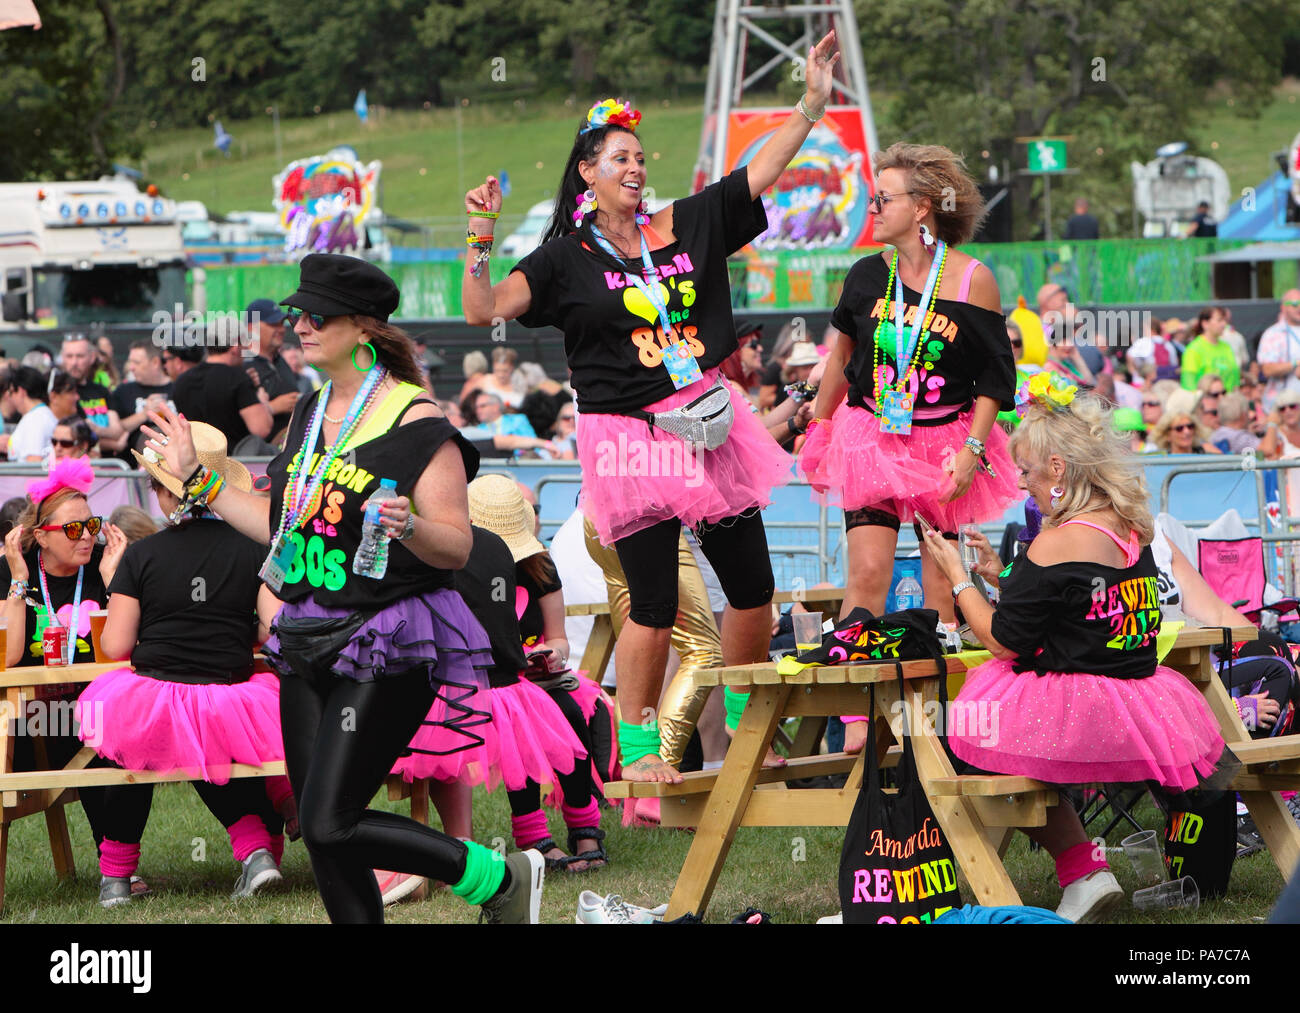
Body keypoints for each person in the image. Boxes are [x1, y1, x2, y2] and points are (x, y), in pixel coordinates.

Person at [462, 45, 840, 782]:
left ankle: (742, 720)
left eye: (640, 157)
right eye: (619, 157)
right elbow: (483, 309)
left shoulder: (686, 225)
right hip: (630, 440)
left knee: (754, 584)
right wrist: (480, 232)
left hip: (706, 424)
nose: (635, 167)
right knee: (654, 603)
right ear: (588, 171)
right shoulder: (564, 258)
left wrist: (811, 106)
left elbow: (756, 175)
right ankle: (635, 756)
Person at [141, 252, 545, 924]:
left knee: (330, 821)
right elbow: (278, 528)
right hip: (306, 636)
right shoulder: (309, 412)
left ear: (362, 328)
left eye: (316, 315)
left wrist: (410, 523)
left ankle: (494, 877)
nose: (299, 325)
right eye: (298, 313)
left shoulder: (418, 420)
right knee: (323, 830)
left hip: (387, 637)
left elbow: (457, 543)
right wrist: (200, 482)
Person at [921, 383, 1226, 922]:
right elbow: (1071, 599)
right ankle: (1084, 870)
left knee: (966, 738)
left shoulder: (1057, 539)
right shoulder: (1127, 524)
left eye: (1028, 471)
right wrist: (1001, 571)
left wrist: (956, 578)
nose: (1021, 483)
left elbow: (1004, 640)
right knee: (995, 742)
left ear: (1058, 468)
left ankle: (1081, 869)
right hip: (1139, 699)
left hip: (1079, 709)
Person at [803, 142, 1021, 626]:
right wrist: (820, 423)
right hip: (870, 433)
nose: (873, 209)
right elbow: (842, 354)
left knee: (940, 582)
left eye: (884, 199)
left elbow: (994, 379)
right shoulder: (865, 275)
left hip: (942, 440)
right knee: (867, 571)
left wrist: (971, 451)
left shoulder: (973, 281)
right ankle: (856, 685)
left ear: (921, 208)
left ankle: (932, 696)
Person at [78, 423, 288, 902]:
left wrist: (116, 588)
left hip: (154, 694)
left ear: (167, 495)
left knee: (129, 755)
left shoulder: (143, 555)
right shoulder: (255, 550)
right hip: (231, 693)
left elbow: (115, 645)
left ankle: (115, 879)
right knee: (210, 751)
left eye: (155, 486)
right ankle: (258, 851)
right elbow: (268, 628)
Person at [0, 459, 137, 907]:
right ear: (41, 535)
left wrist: (116, 581)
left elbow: (125, 647)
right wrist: (19, 580)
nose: (88, 536)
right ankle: (116, 871)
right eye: (74, 529)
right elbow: (11, 654)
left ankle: (115, 868)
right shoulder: (12, 571)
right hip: (29, 721)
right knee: (96, 729)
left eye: (92, 525)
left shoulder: (104, 564)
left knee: (106, 728)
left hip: (94, 706)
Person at [169, 323, 272, 451]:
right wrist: (262, 398)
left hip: (196, 461)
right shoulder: (238, 378)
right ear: (235, 347)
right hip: (234, 463)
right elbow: (261, 429)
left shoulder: (182, 380)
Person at [243, 298, 302, 437]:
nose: (281, 329)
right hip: (258, 454)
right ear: (251, 328)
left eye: (281, 323)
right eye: (273, 324)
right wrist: (272, 408)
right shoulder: (243, 365)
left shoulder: (280, 361)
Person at [110, 341, 175, 457]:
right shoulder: (123, 391)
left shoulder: (178, 389)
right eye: (130, 362)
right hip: (132, 467)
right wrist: (144, 414)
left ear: (155, 362)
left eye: (136, 362)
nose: (131, 367)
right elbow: (116, 429)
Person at [60, 335, 124, 444]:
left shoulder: (101, 390)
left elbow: (117, 431)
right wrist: (113, 444)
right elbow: (69, 437)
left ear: (92, 357)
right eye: (69, 356)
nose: (74, 362)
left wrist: (95, 429)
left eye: (80, 356)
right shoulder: (58, 392)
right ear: (62, 358)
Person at [1255, 289, 1300, 412]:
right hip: (1282, 408)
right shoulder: (1272, 334)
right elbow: (1267, 370)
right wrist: (1295, 363)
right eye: (1295, 304)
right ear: (1283, 308)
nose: (1299, 307)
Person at [4, 365, 57, 463]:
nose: (9, 397)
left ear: (21, 391)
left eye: (11, 392)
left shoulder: (35, 419)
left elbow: (33, 462)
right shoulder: (38, 416)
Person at [1180, 307, 1239, 392]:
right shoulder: (1193, 349)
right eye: (1219, 320)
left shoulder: (1227, 347)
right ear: (1205, 324)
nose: (1224, 324)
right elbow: (1189, 385)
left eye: (1225, 321)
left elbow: (1235, 381)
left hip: (1228, 403)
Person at [1150, 407, 1221, 455]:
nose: (1187, 431)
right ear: (1167, 435)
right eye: (1179, 428)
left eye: (1190, 426)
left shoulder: (1207, 450)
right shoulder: (1161, 460)